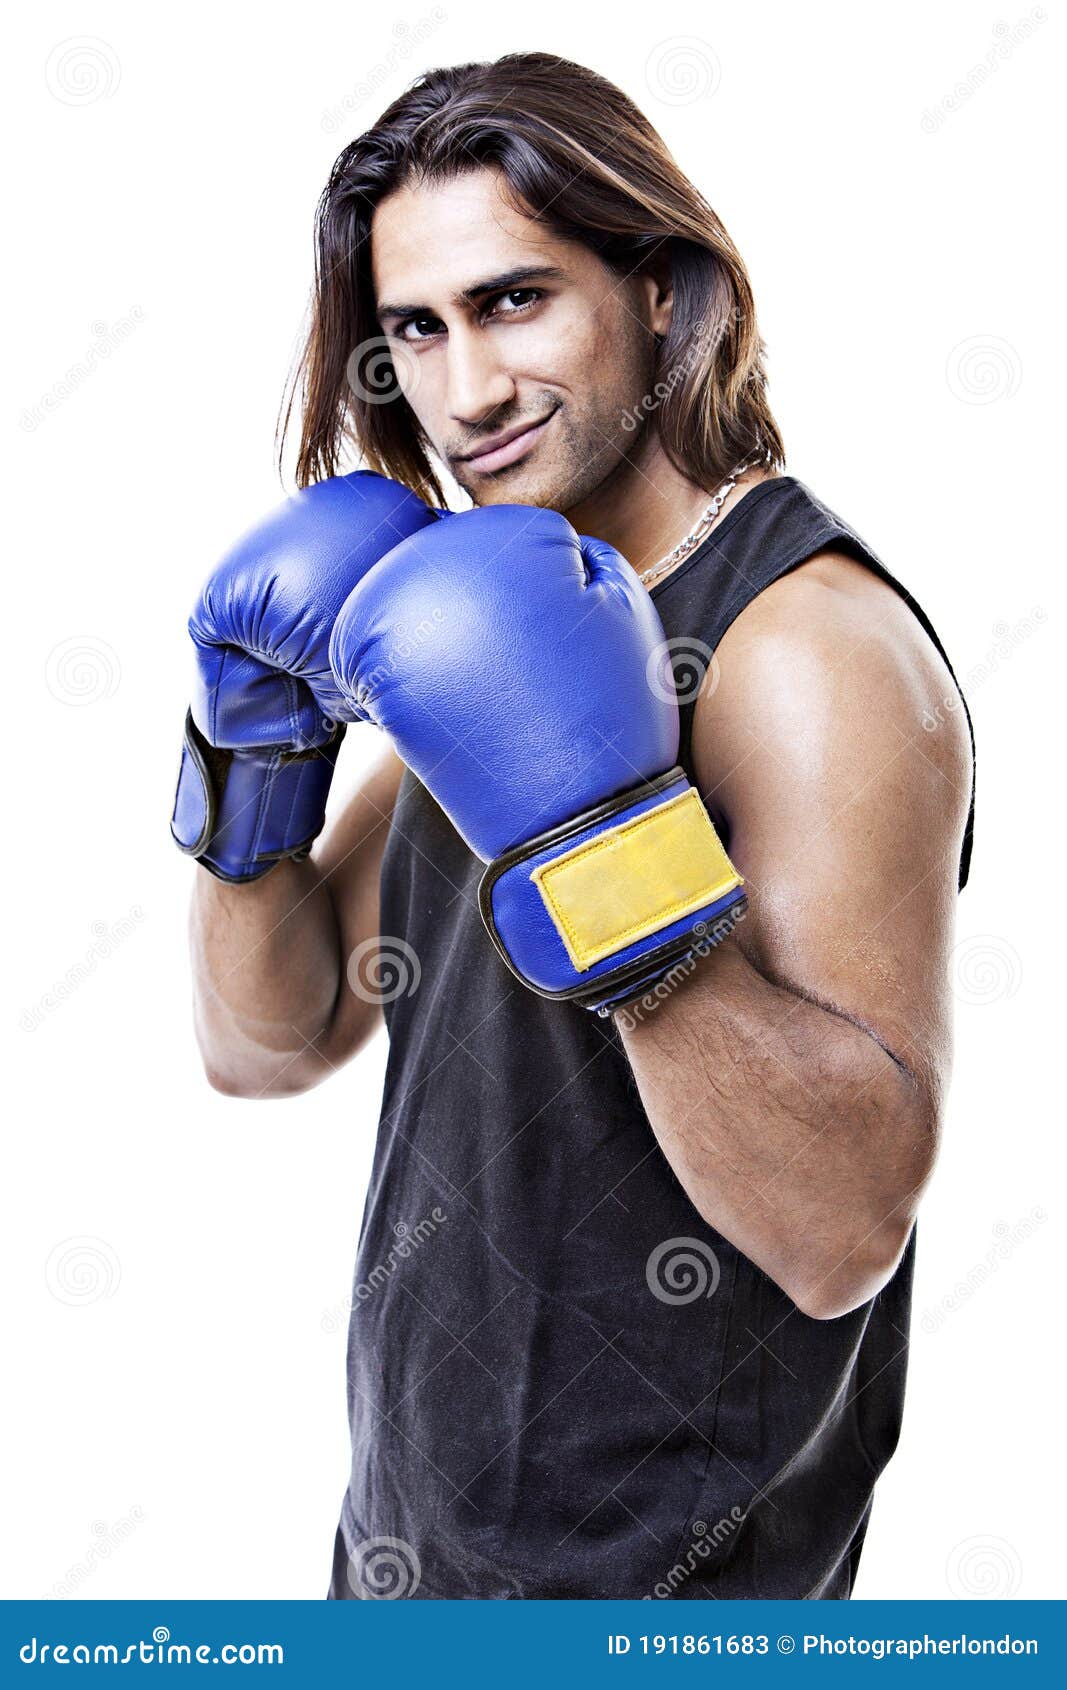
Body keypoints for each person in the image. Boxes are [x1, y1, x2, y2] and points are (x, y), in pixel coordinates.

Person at [172, 53, 975, 1600]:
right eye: (416, 328)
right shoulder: (489, 613)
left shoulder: (805, 653)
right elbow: (267, 1040)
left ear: (661, 292)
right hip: (404, 1568)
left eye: (515, 301)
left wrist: (601, 836)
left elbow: (838, 1226)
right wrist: (249, 763)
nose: (463, 391)